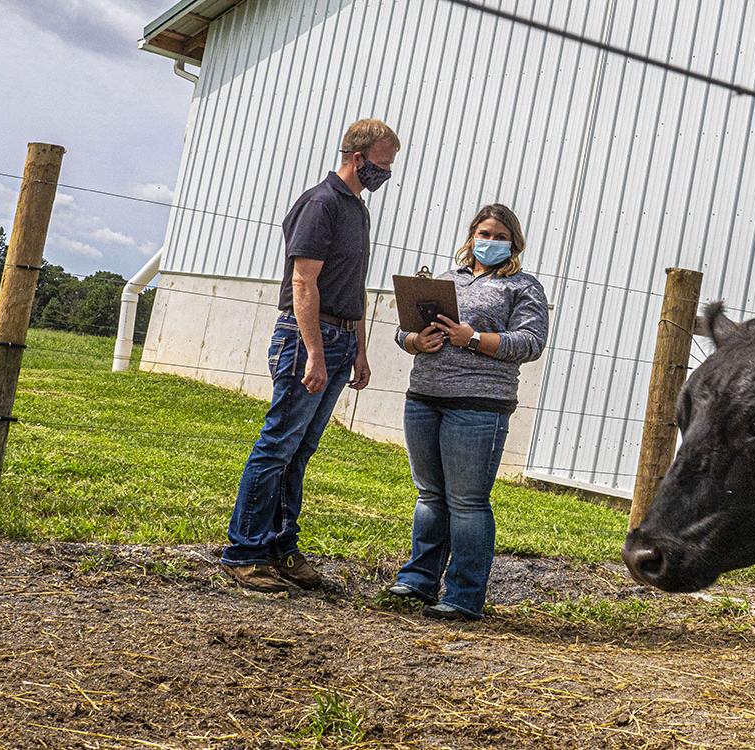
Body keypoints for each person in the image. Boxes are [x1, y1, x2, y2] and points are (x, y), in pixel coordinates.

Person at [220, 118, 400, 592]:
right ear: (358, 158)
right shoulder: (321, 204)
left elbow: (353, 286)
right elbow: (304, 282)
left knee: (300, 449)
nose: (387, 173)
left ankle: (281, 547)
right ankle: (245, 551)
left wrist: (359, 349)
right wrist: (315, 354)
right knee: (277, 444)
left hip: (341, 337)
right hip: (307, 337)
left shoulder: (357, 211)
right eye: (383, 164)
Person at [387, 204, 549, 620]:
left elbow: (530, 343)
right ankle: (419, 579)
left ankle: (463, 595)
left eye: (499, 236)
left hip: (479, 406)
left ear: (514, 241)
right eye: (484, 233)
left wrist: (472, 338)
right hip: (425, 397)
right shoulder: (444, 279)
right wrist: (413, 341)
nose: (489, 242)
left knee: (468, 502)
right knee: (429, 496)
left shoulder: (522, 287)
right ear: (471, 235)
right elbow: (402, 329)